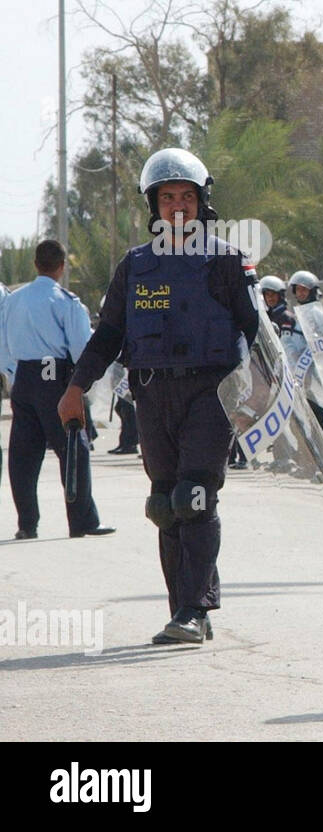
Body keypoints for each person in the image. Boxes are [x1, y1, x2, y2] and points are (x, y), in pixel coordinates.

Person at [58, 147, 261, 643]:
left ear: (201, 202)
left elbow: (257, 334)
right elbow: (108, 334)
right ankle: (188, 611)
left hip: (209, 394)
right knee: (165, 504)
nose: (176, 206)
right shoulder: (136, 266)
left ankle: (192, 610)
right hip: (151, 394)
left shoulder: (228, 261)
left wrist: (257, 399)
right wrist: (76, 387)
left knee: (195, 497)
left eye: (186, 197)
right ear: (153, 204)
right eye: (166, 197)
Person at [0, 240, 113, 540]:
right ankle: (82, 521)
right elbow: (79, 347)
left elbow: (5, 344)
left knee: (23, 454)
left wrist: (15, 373)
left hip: (23, 378)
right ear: (62, 267)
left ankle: (27, 523)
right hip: (56, 380)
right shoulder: (65, 301)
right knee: (74, 449)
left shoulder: (13, 300)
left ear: (35, 264)